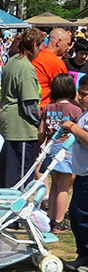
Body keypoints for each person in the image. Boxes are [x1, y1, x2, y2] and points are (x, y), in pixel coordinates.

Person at [0, 28, 44, 188]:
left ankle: (5, 209)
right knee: (20, 179)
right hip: (20, 130)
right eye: (41, 45)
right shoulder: (25, 67)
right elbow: (29, 104)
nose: (42, 49)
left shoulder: (13, 60)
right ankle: (15, 212)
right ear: (35, 45)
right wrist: (40, 122)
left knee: (8, 175)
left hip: (8, 125)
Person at [38, 74, 82, 234]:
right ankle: (59, 222)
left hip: (51, 146)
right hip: (66, 148)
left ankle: (50, 219)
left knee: (55, 184)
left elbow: (41, 131)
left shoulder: (48, 107)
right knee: (64, 187)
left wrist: (38, 146)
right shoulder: (75, 110)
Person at [61, 75, 88, 272]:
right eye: (80, 93)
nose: (80, 98)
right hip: (81, 173)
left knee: (82, 216)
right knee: (77, 216)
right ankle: (83, 255)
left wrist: (73, 127)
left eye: (85, 95)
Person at [32, 28, 71, 109]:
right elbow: (66, 91)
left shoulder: (36, 56)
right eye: (67, 44)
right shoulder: (56, 63)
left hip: (32, 106)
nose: (68, 47)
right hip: (45, 109)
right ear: (58, 42)